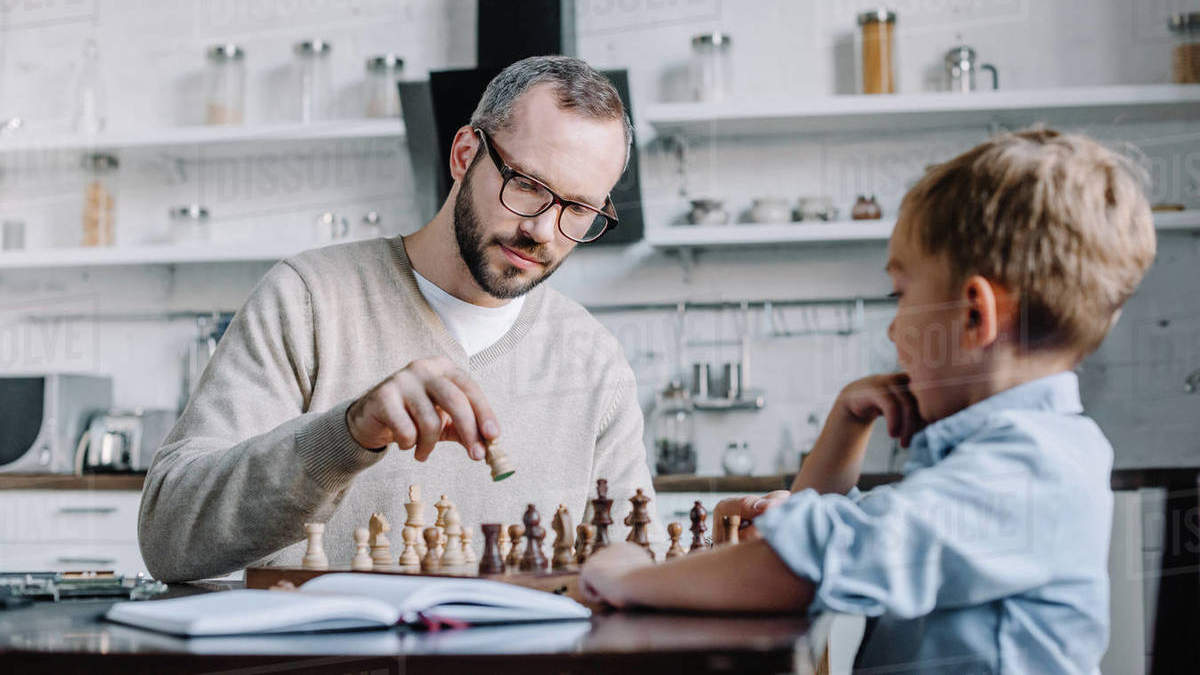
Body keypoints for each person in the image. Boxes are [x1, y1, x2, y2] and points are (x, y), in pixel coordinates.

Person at [581, 129, 1156, 675]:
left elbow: (801, 567)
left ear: (975, 316)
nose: (891, 331)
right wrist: (847, 423)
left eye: (899, 295)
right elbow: (821, 542)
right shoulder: (992, 455)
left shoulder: (1032, 467)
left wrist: (626, 577)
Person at [140, 56, 659, 581]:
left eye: (578, 210)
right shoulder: (307, 300)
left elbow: (637, 567)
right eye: (527, 185)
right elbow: (168, 539)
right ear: (464, 155)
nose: (545, 231)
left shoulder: (594, 359)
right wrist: (345, 437)